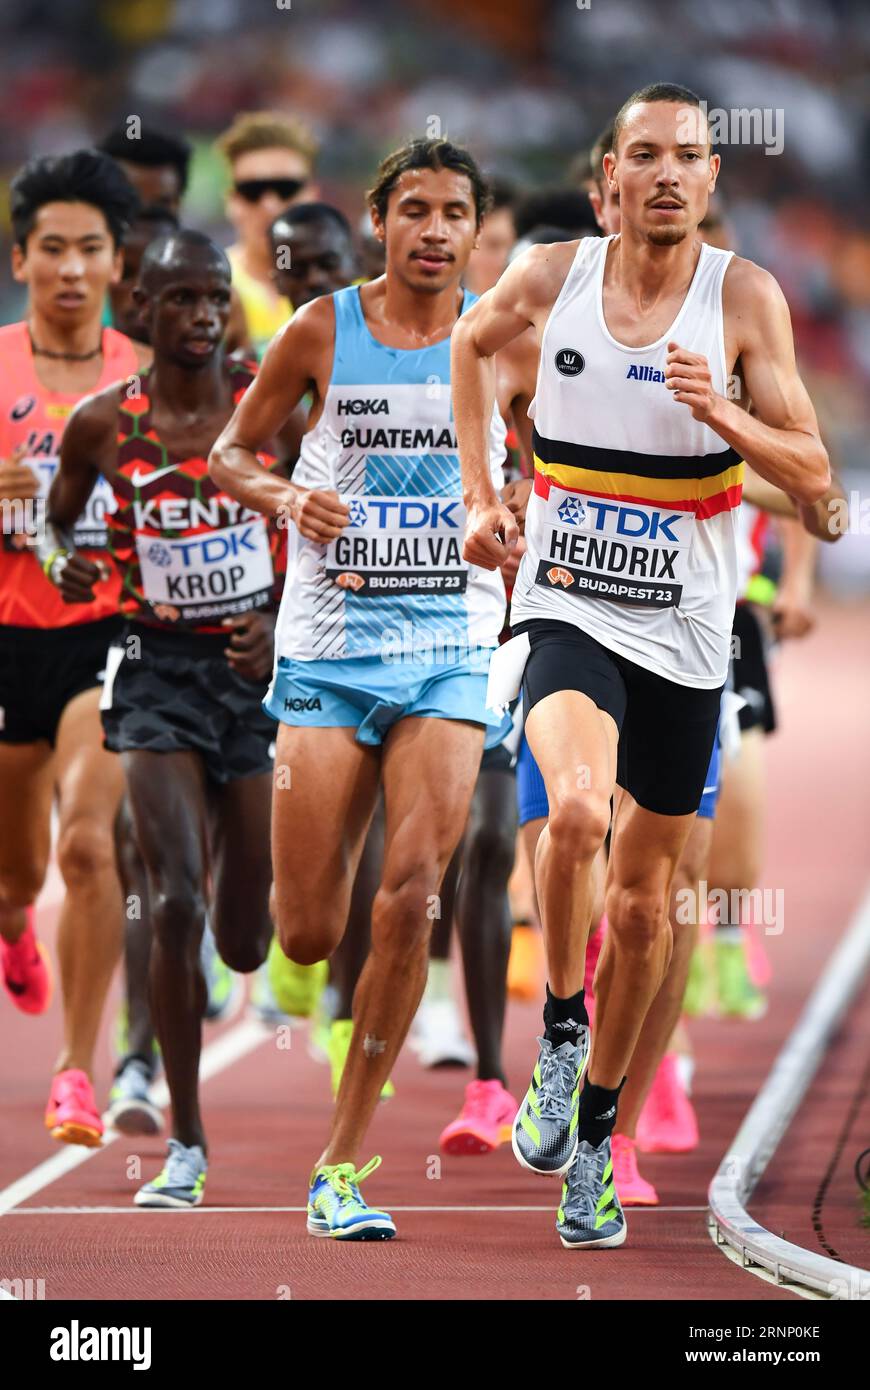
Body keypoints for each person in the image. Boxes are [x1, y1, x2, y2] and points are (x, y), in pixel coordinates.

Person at [453, 82, 830, 1250]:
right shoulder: (551, 276)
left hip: (688, 633)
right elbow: (469, 348)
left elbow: (821, 492)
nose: (668, 175)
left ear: (713, 182)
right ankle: (562, 1031)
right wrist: (480, 496)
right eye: (646, 156)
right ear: (606, 180)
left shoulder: (745, 299)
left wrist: (725, 413)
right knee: (569, 814)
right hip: (569, 604)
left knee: (651, 905)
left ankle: (600, 1137)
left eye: (691, 158)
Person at [210, 137, 511, 1239]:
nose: (435, 230)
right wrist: (289, 499)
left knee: (412, 887)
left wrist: (515, 515)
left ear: (478, 231)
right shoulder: (322, 328)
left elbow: (551, 461)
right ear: (381, 222)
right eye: (416, 210)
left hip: (449, 642)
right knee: (301, 929)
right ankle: (278, 959)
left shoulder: (502, 336)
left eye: (456, 214)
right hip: (330, 652)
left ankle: (341, 1164)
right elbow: (230, 457)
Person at [42, 229, 298, 1205]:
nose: (200, 316)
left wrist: (274, 619)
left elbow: (319, 518)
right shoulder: (105, 425)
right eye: (180, 298)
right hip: (151, 673)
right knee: (173, 893)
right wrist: (66, 557)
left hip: (250, 678)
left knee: (241, 941)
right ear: (139, 307)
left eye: (214, 298)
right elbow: (60, 521)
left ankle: (221, 941)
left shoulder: (267, 403)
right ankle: (185, 1141)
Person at [0, 150, 143, 1145]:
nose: (69, 268)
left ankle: (77, 1071)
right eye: (51, 248)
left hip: (112, 635)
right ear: (21, 260)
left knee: (91, 843)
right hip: (11, 635)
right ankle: (12, 923)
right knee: (16, 872)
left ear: (116, 264)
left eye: (89, 249)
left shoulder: (148, 376)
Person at [216, 111, 319, 358]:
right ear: (232, 202)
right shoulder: (208, 287)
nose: (270, 206)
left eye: (286, 189)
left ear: (312, 195)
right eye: (253, 191)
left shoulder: (353, 290)